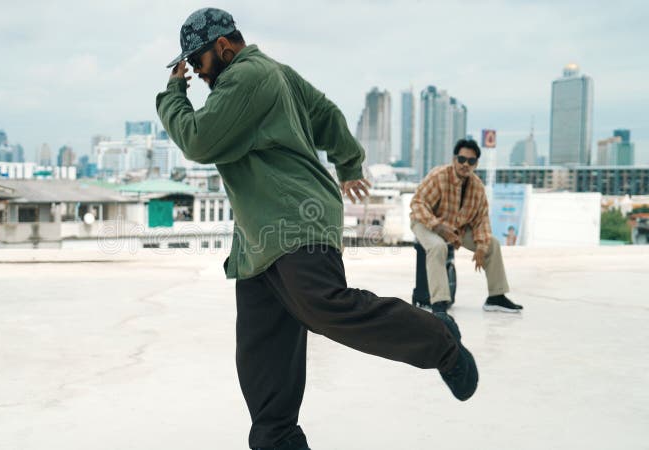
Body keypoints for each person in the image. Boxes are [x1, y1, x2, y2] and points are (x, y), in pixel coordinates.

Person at [156, 8, 478, 450]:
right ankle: (278, 441)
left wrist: (173, 94)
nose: (193, 69)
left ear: (224, 47)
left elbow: (197, 140)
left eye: (197, 59)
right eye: (188, 64)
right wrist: (347, 163)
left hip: (295, 221)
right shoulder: (277, 74)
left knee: (326, 307)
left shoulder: (247, 78)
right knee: (262, 353)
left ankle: (441, 341)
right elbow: (324, 111)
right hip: (258, 240)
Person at [410, 139, 524, 314]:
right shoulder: (439, 175)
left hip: (457, 229)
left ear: (476, 163)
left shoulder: (477, 186)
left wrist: (481, 246)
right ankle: (439, 303)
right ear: (455, 159)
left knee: (491, 244)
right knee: (438, 246)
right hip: (426, 222)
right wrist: (438, 227)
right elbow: (417, 204)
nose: (465, 164)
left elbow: (481, 219)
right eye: (462, 159)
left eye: (470, 161)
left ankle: (496, 297)